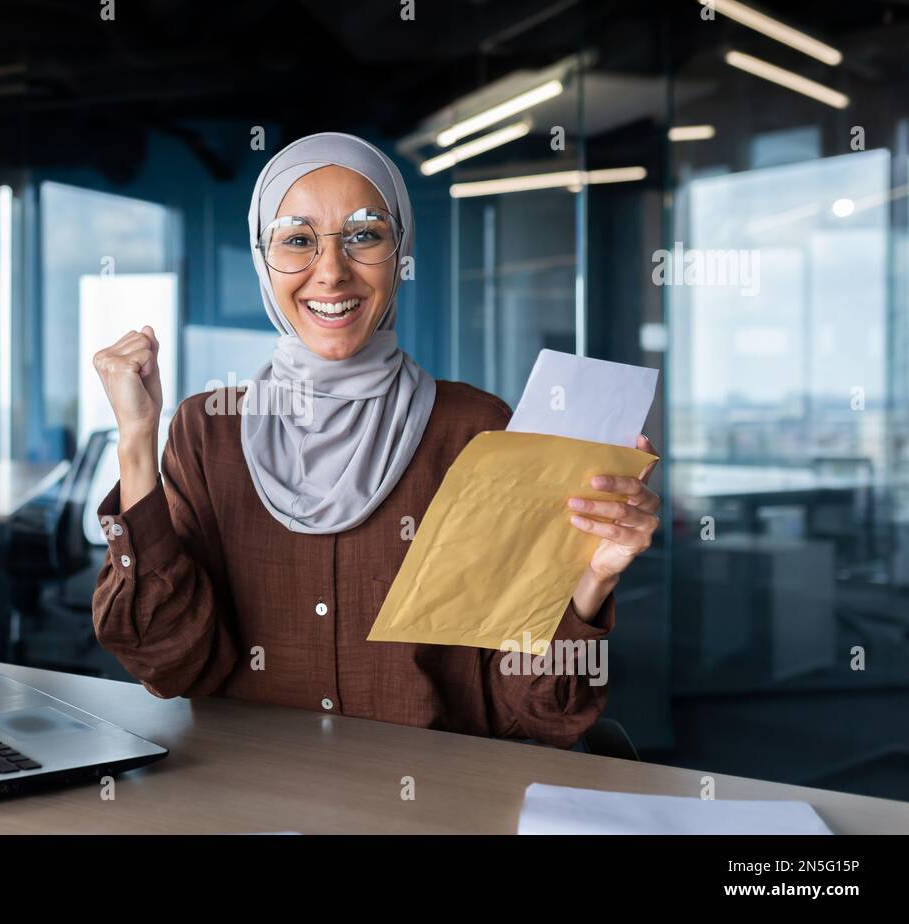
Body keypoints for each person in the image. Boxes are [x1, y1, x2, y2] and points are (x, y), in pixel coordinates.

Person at [89, 132, 658, 749]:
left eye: (364, 234)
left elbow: (534, 713)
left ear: (400, 252)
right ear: (263, 258)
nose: (331, 271)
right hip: (252, 800)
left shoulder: (478, 430)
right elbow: (169, 663)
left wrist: (590, 580)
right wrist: (137, 442)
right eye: (297, 239)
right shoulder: (208, 430)